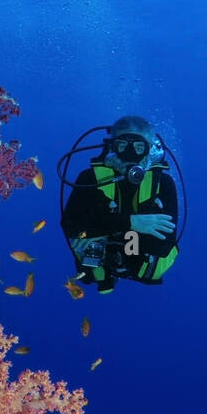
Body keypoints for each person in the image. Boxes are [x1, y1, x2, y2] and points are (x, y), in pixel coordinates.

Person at [60, 116, 179, 293]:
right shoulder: (89, 178)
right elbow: (70, 226)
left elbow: (163, 245)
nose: (130, 153)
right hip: (100, 267)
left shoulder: (164, 183)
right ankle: (105, 277)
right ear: (111, 146)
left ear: (149, 149)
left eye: (139, 147)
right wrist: (131, 223)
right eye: (122, 145)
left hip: (142, 266)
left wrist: (102, 226)